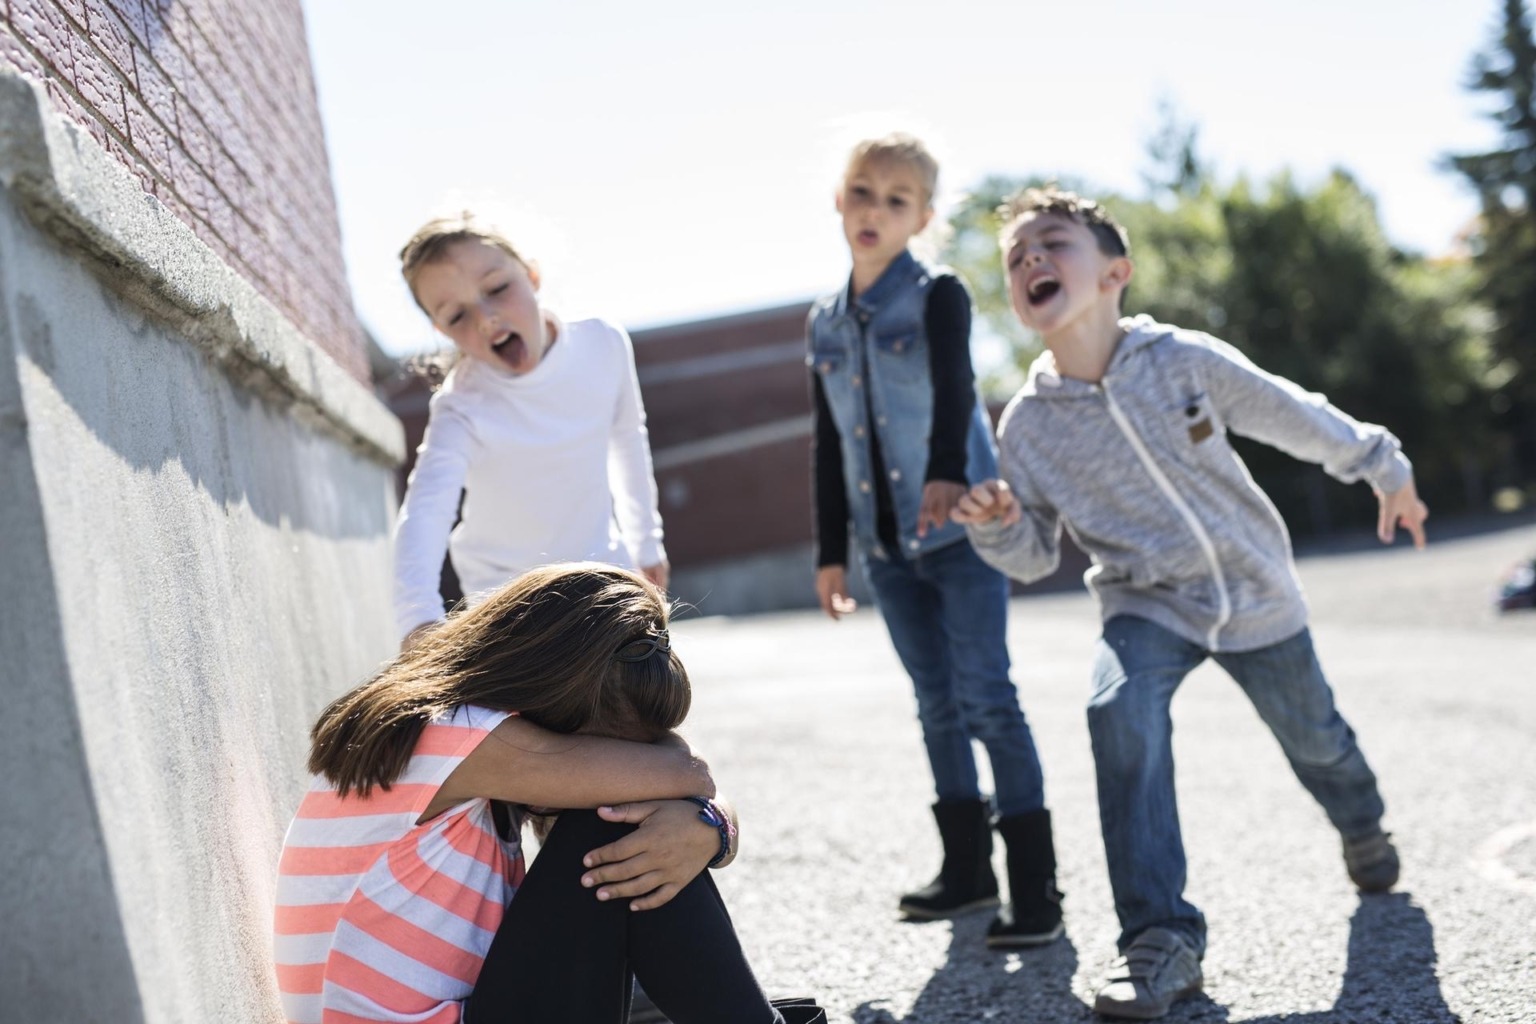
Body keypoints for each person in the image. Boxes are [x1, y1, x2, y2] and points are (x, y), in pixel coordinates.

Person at [953, 186, 1426, 1019]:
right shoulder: (1025, 427)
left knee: (1317, 741)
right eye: (1016, 254)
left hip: (1253, 588)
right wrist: (995, 526)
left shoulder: (1182, 361)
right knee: (1118, 708)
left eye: (1052, 243)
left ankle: (1363, 825)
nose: (1030, 259)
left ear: (1114, 273)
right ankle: (1159, 942)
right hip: (1147, 604)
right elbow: (1029, 556)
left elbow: (1293, 414)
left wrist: (1382, 463)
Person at [273, 563, 825, 1024]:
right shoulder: (452, 734)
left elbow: (686, 781)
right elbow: (688, 772)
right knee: (617, 824)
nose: (622, 767)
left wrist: (710, 829)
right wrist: (704, 814)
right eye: (613, 751)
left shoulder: (457, 736)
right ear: (554, 696)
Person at [807, 133, 1062, 947]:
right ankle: (966, 875)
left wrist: (950, 475)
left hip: (960, 538)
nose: (874, 210)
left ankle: (1037, 891)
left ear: (922, 217)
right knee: (935, 705)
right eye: (861, 191)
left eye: (895, 198)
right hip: (886, 551)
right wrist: (830, 552)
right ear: (838, 200)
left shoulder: (939, 294)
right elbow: (827, 438)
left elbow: (957, 388)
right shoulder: (824, 321)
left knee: (987, 696)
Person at [393, 214, 668, 650]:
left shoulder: (603, 344)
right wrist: (418, 618)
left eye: (498, 288)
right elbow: (425, 511)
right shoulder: (460, 405)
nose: (486, 319)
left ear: (532, 274)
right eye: (458, 314)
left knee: (637, 702)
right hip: (505, 602)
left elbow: (628, 440)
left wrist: (646, 543)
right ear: (441, 331)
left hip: (603, 576)